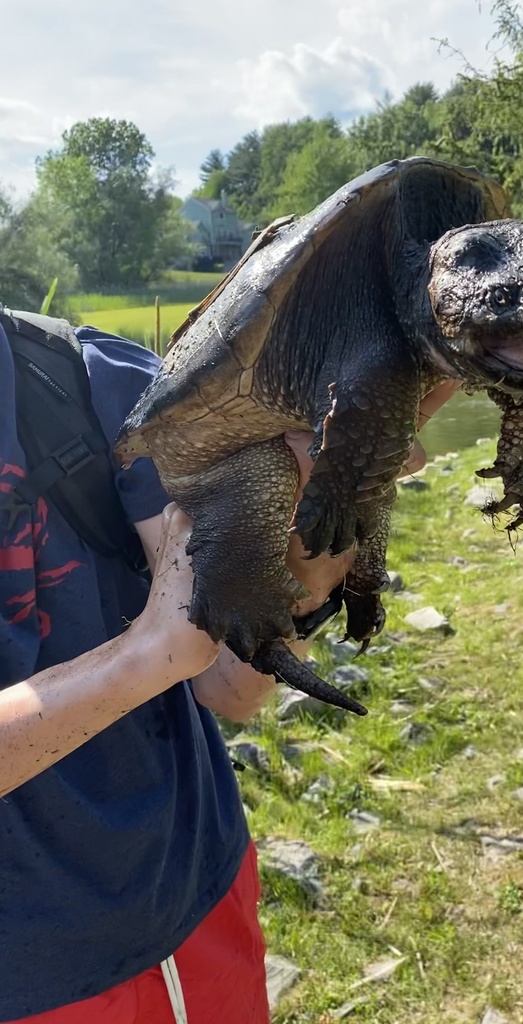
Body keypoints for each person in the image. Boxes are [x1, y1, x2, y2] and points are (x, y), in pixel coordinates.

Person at [0, 314, 459, 1024]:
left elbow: (232, 687)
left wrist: (312, 546)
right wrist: (145, 655)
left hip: (196, 895)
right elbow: (174, 649)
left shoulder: (92, 379)